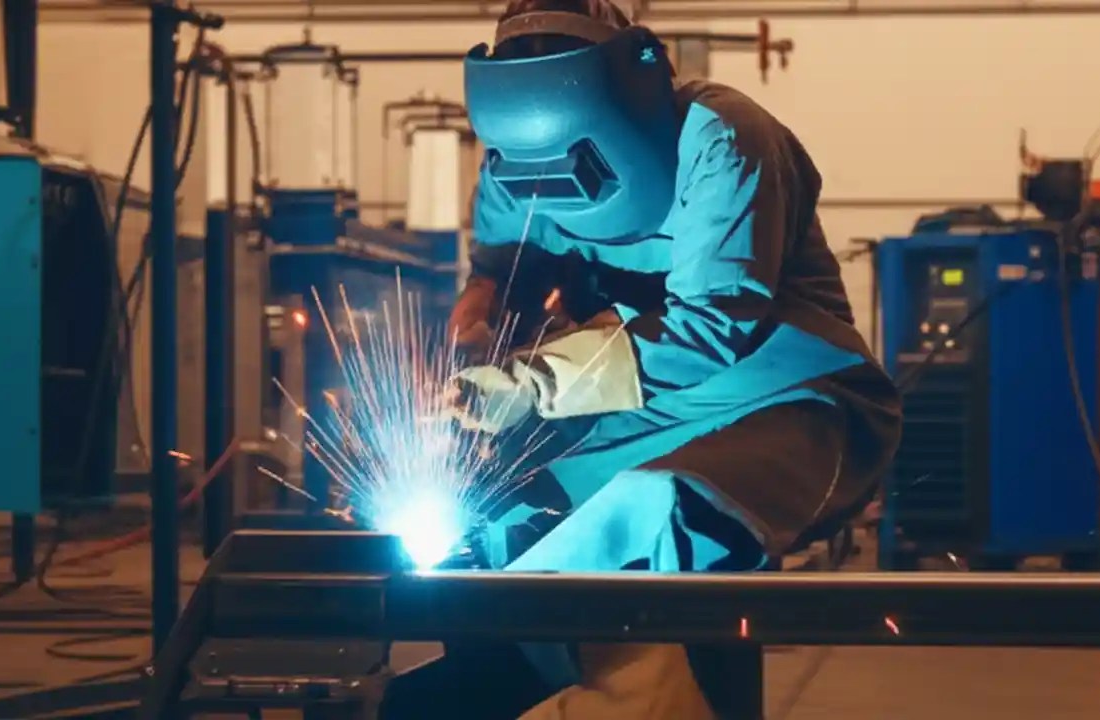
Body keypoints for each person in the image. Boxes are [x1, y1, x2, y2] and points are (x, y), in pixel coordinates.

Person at [381, 1, 902, 718]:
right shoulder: (507, 164)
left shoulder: (721, 135)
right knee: (500, 525)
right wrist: (480, 319)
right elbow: (498, 277)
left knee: (653, 511)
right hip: (622, 408)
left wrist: (529, 384)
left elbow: (711, 329)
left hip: (781, 394)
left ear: (634, 75)